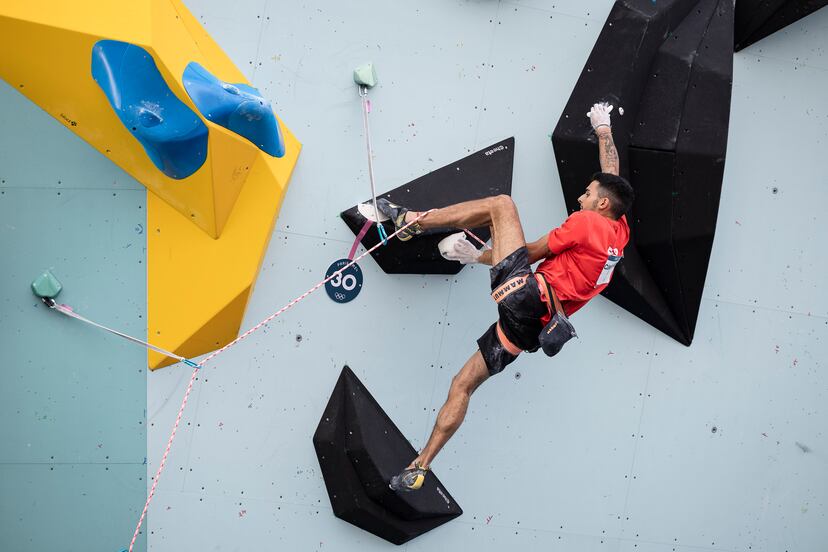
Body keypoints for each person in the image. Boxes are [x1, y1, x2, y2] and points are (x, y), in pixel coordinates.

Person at [376, 102, 634, 491]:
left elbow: (528, 254)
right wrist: (603, 130)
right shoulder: (619, 233)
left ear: (599, 206)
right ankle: (420, 467)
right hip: (532, 330)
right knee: (463, 384)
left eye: (586, 194)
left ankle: (410, 222)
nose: (580, 198)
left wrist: (476, 255)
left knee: (502, 205)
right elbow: (612, 176)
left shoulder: (586, 222)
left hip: (527, 296)